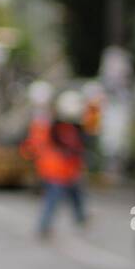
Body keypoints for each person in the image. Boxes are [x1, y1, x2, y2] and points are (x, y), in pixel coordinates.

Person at [23, 90, 88, 238]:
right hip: (57, 171)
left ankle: (80, 217)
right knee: (53, 199)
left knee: (76, 194)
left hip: (66, 171)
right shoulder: (55, 127)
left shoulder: (67, 127)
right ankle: (44, 226)